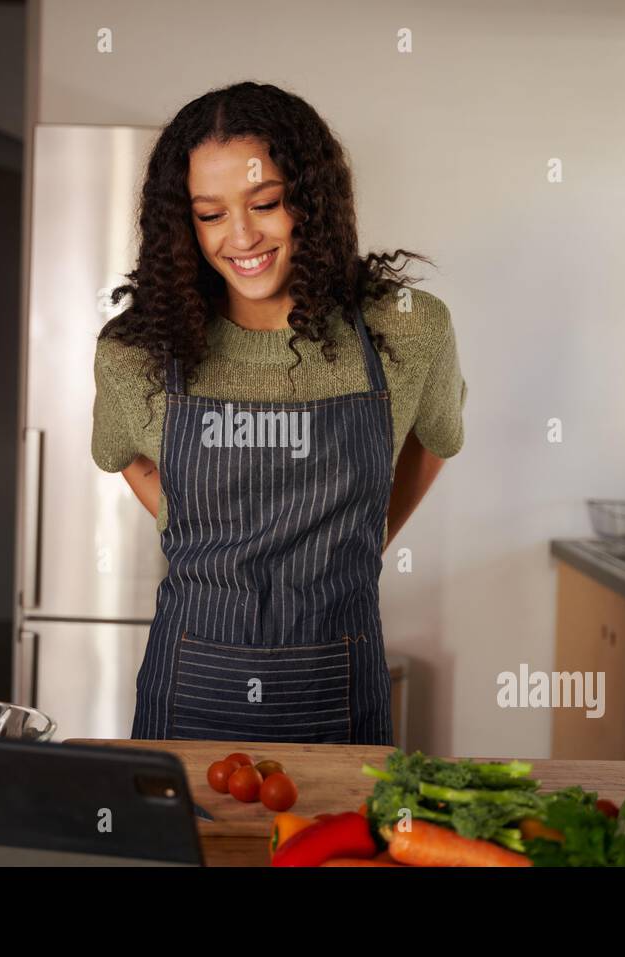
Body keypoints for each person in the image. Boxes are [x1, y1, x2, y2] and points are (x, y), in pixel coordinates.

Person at [91, 81, 466, 744]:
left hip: (339, 691)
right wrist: (200, 531)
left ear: (311, 200)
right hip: (190, 690)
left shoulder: (407, 331)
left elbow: (433, 440)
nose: (241, 236)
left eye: (265, 202)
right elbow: (123, 455)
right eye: (209, 214)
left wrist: (370, 536)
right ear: (183, 223)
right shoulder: (134, 351)